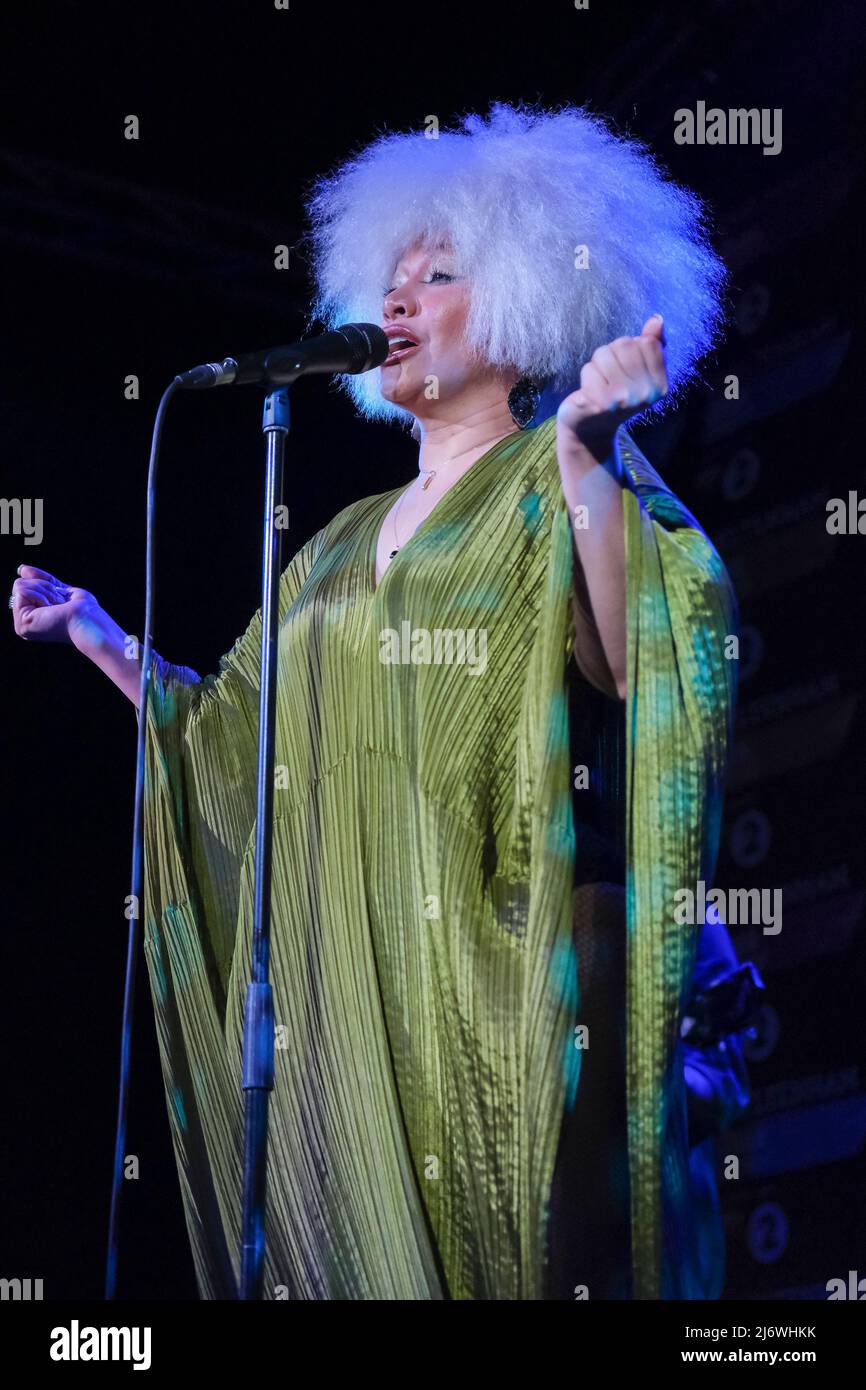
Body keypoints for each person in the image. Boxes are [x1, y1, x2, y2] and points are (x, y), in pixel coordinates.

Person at [10, 102, 753, 1299]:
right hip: (359, 1024)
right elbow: (230, 733)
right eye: (391, 276)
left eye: (441, 273)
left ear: (525, 303)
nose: (397, 300)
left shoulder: (557, 466)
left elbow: (640, 657)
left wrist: (584, 456)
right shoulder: (336, 547)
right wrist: (101, 637)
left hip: (522, 999)